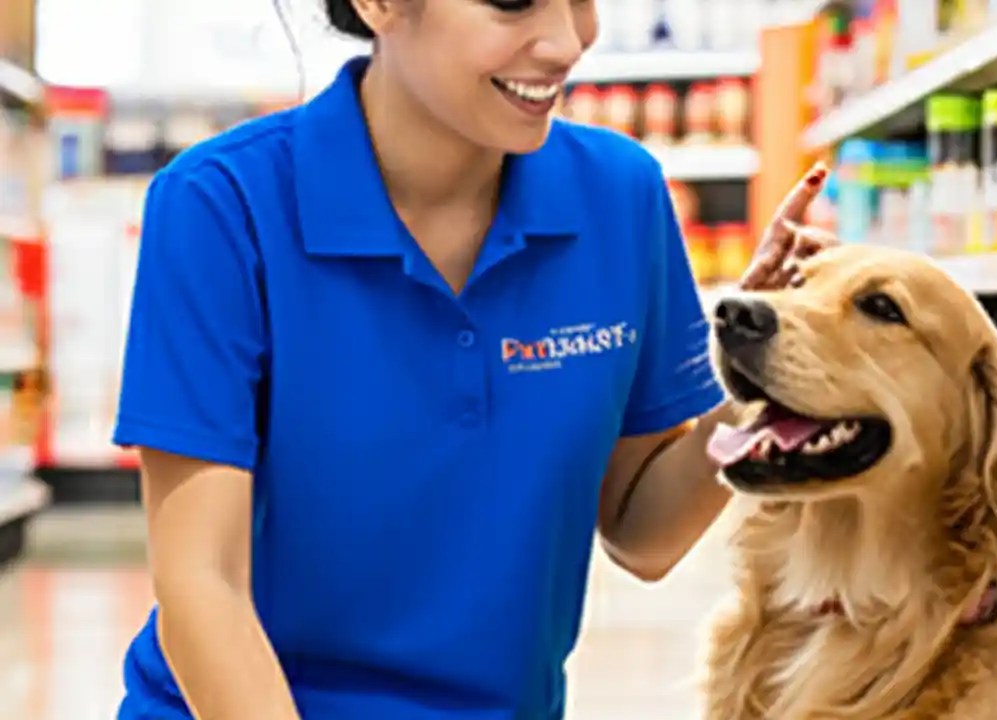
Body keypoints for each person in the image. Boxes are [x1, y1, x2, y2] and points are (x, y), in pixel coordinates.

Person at [112, 0, 828, 717]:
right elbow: (201, 586)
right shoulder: (223, 205)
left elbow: (643, 534)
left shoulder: (620, 196)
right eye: (513, 1)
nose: (566, 41)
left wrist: (758, 373)